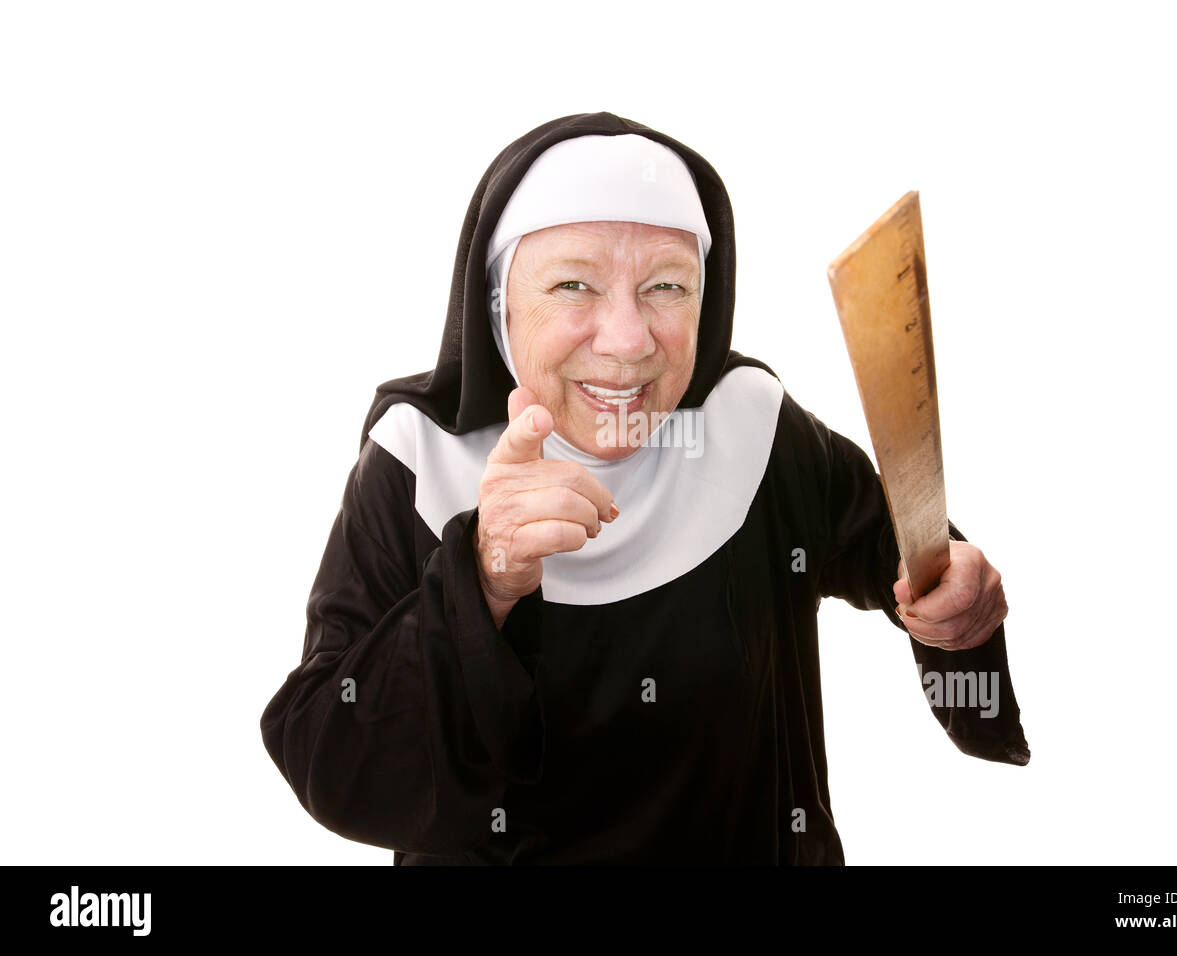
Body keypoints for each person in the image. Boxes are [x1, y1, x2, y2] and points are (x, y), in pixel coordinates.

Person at [259, 111, 1030, 865]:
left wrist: (957, 607)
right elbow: (331, 759)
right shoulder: (415, 464)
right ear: (496, 306)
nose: (627, 341)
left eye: (667, 287)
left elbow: (917, 572)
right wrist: (481, 577)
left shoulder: (754, 429)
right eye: (572, 285)